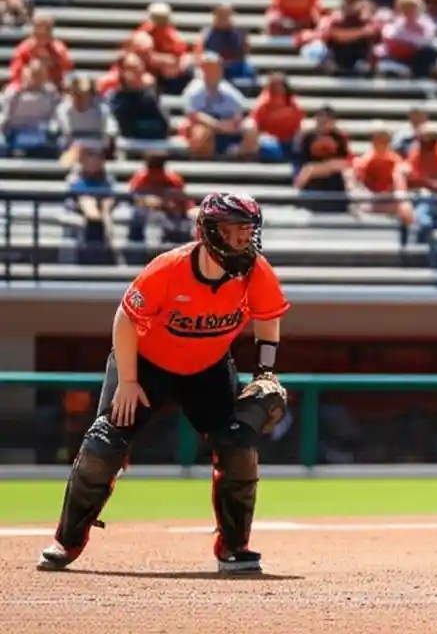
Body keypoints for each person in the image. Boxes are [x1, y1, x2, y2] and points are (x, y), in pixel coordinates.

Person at [36, 193, 290, 574]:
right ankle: (67, 541)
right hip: (146, 365)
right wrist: (128, 381)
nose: (244, 240)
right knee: (103, 446)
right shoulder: (169, 268)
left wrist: (265, 373)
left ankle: (234, 549)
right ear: (210, 232)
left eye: (248, 231)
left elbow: (267, 318)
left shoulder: (256, 271)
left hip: (208, 368)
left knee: (238, 445)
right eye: (235, 230)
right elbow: (125, 319)